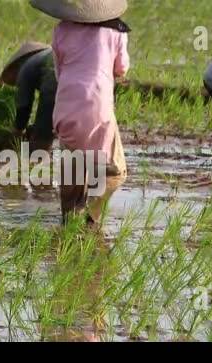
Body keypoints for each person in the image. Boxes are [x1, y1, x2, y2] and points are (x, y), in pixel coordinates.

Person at [30, 0, 130, 224]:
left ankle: (69, 220)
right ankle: (90, 215)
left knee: (73, 173)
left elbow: (59, 69)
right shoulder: (116, 31)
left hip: (66, 105)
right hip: (98, 107)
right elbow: (122, 69)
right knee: (115, 171)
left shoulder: (61, 29)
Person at [0, 41, 57, 153]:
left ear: (18, 63)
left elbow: (24, 104)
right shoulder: (47, 56)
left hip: (53, 82)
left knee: (41, 138)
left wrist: (18, 129)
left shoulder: (26, 67)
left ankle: (37, 160)